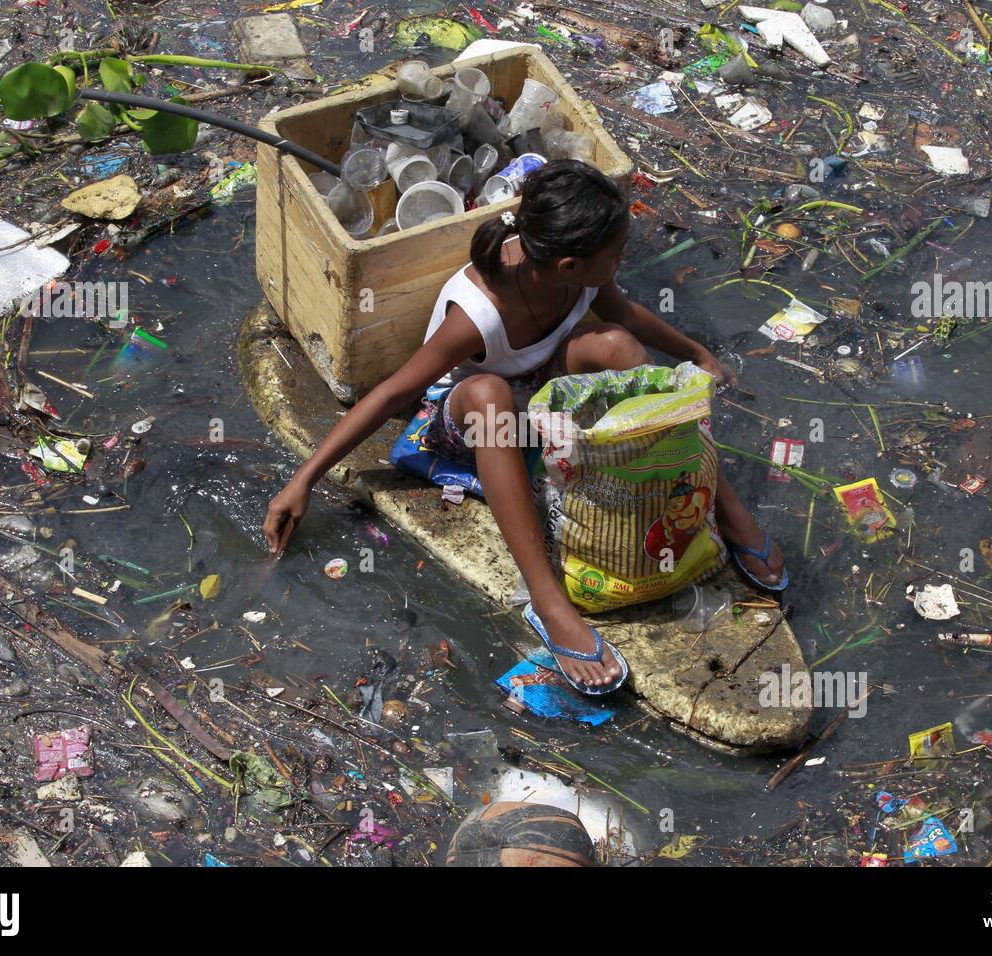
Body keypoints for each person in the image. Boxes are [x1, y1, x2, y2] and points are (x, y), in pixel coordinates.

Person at [263, 160, 785, 692]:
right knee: (489, 394)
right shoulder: (477, 315)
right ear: (567, 265)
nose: (622, 259)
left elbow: (625, 317)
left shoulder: (581, 277)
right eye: (617, 252)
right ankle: (547, 599)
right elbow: (393, 392)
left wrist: (695, 354)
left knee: (619, 348)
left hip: (538, 396)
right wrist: (302, 480)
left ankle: (726, 509)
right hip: (471, 424)